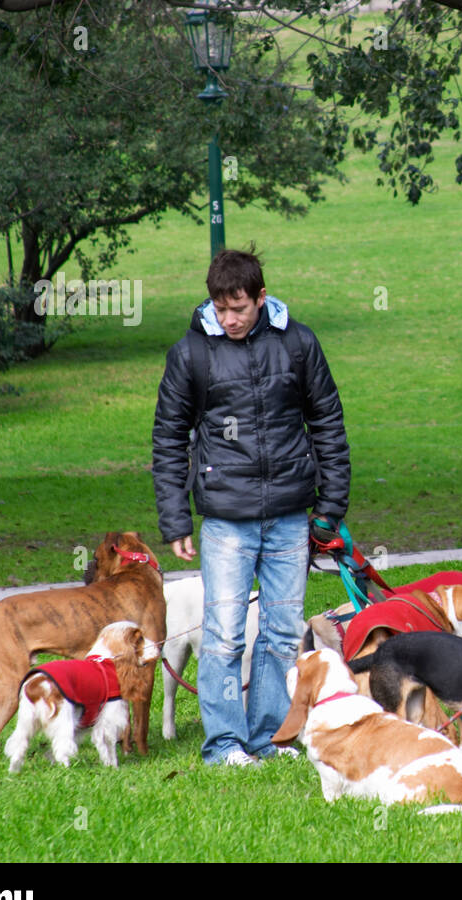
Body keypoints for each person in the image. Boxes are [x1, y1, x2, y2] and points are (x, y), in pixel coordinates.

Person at [152, 248, 350, 766]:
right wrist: (175, 516)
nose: (230, 319)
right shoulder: (191, 353)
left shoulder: (299, 343)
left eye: (239, 307)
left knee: (283, 634)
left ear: (261, 298)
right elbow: (169, 437)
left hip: (290, 515)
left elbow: (327, 422)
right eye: (221, 309)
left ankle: (268, 737)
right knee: (223, 635)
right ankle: (223, 746)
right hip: (224, 520)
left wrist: (331, 505)